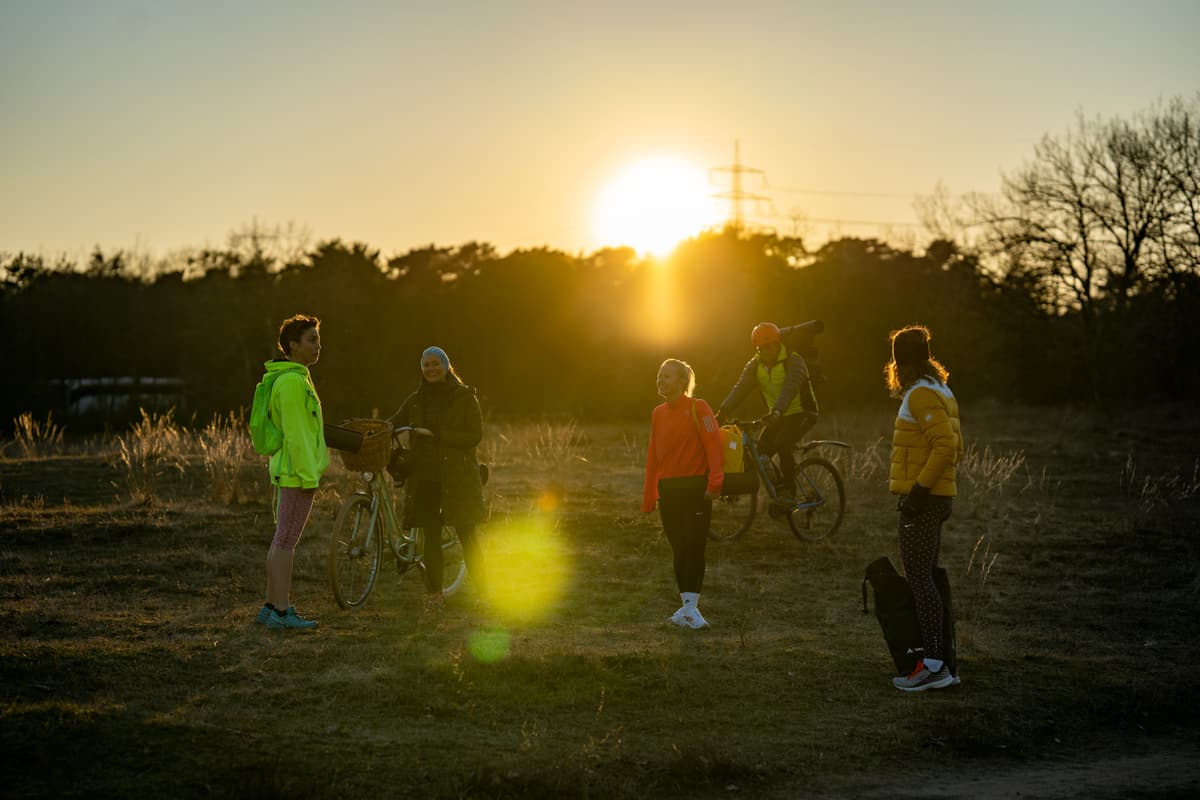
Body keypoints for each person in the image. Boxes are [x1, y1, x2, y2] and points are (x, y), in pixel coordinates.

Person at [885, 325, 963, 691]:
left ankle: (934, 666)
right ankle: (943, 662)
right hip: (937, 497)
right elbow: (955, 447)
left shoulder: (919, 395)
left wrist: (917, 493)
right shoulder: (940, 390)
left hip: (925, 499)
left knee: (919, 579)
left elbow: (945, 447)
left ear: (900, 362)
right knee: (927, 577)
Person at [394, 346, 487, 612]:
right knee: (430, 538)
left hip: (458, 478)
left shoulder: (465, 397)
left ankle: (483, 593)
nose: (431, 369)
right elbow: (394, 421)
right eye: (426, 365)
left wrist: (440, 435)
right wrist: (373, 432)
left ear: (446, 366)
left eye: (436, 364)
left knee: (467, 536)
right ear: (422, 370)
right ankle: (435, 595)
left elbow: (474, 435)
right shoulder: (415, 399)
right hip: (425, 478)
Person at [256, 314, 330, 630]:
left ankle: (271, 607)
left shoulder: (294, 377)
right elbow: (297, 433)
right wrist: (309, 475)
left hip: (292, 471)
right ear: (292, 345)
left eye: (318, 340)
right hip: (296, 473)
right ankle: (282, 613)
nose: (318, 346)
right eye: (311, 340)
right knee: (286, 540)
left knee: (282, 539)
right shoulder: (291, 382)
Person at [641, 358, 725, 629]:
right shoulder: (657, 413)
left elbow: (714, 445)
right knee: (678, 546)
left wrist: (715, 483)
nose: (661, 380)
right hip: (669, 490)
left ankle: (691, 608)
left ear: (681, 381)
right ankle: (687, 608)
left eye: (667, 376)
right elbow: (654, 454)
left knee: (694, 544)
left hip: (695, 489)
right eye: (659, 375)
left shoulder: (699, 408)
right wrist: (649, 494)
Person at [716, 322, 818, 504]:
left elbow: (790, 389)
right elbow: (740, 388)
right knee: (760, 454)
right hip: (777, 416)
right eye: (761, 347)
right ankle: (778, 491)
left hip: (802, 413)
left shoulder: (793, 361)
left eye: (769, 345)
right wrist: (723, 411)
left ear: (778, 342)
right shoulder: (756, 365)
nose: (766, 350)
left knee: (783, 443)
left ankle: (789, 491)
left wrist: (777, 411)